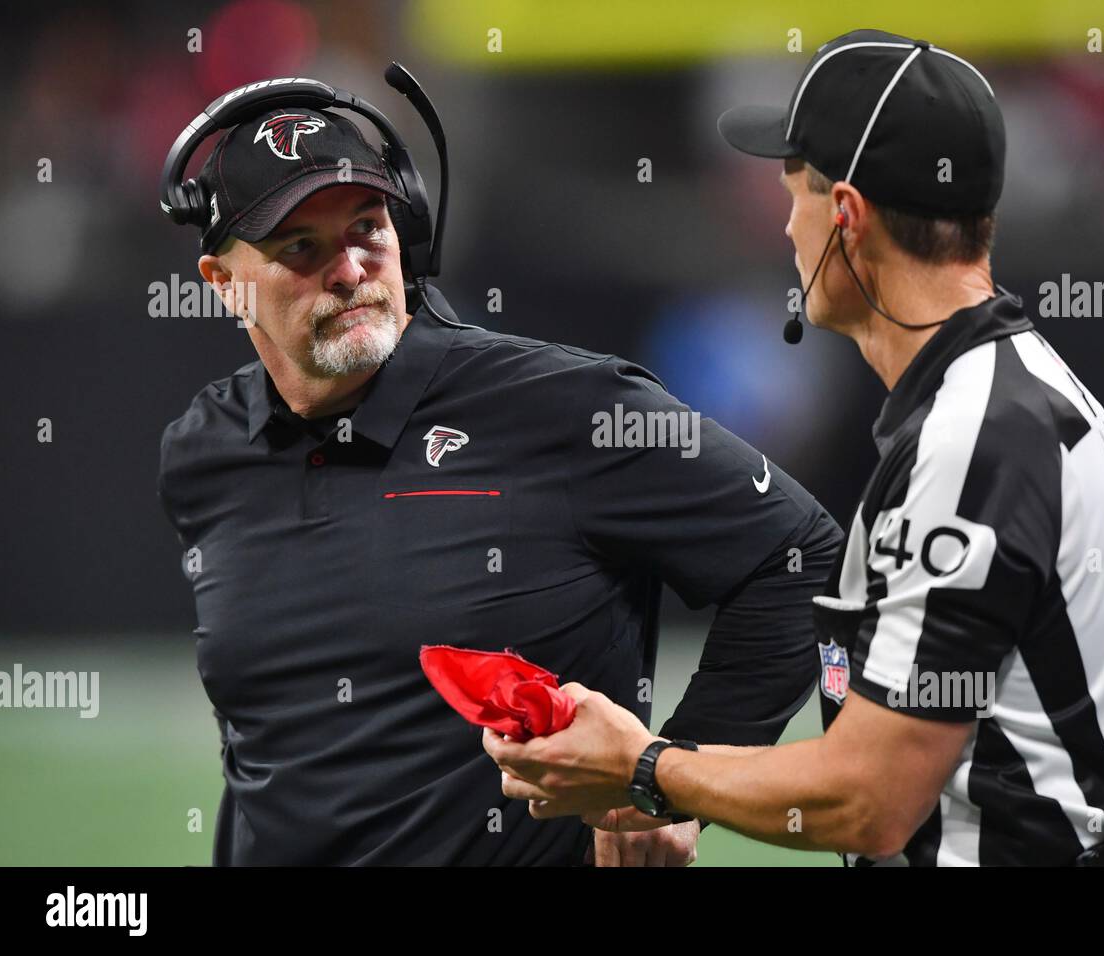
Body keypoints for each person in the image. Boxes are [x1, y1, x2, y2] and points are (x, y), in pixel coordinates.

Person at [484, 29, 1104, 866]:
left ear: (845, 215)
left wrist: (646, 769)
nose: (785, 225)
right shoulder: (1020, 394)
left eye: (796, 193)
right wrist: (671, 776)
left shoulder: (974, 444)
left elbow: (870, 799)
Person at [156, 94, 842, 865]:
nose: (349, 269)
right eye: (300, 248)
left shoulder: (560, 406)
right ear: (224, 282)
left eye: (366, 229)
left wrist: (675, 784)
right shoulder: (204, 451)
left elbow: (799, 552)